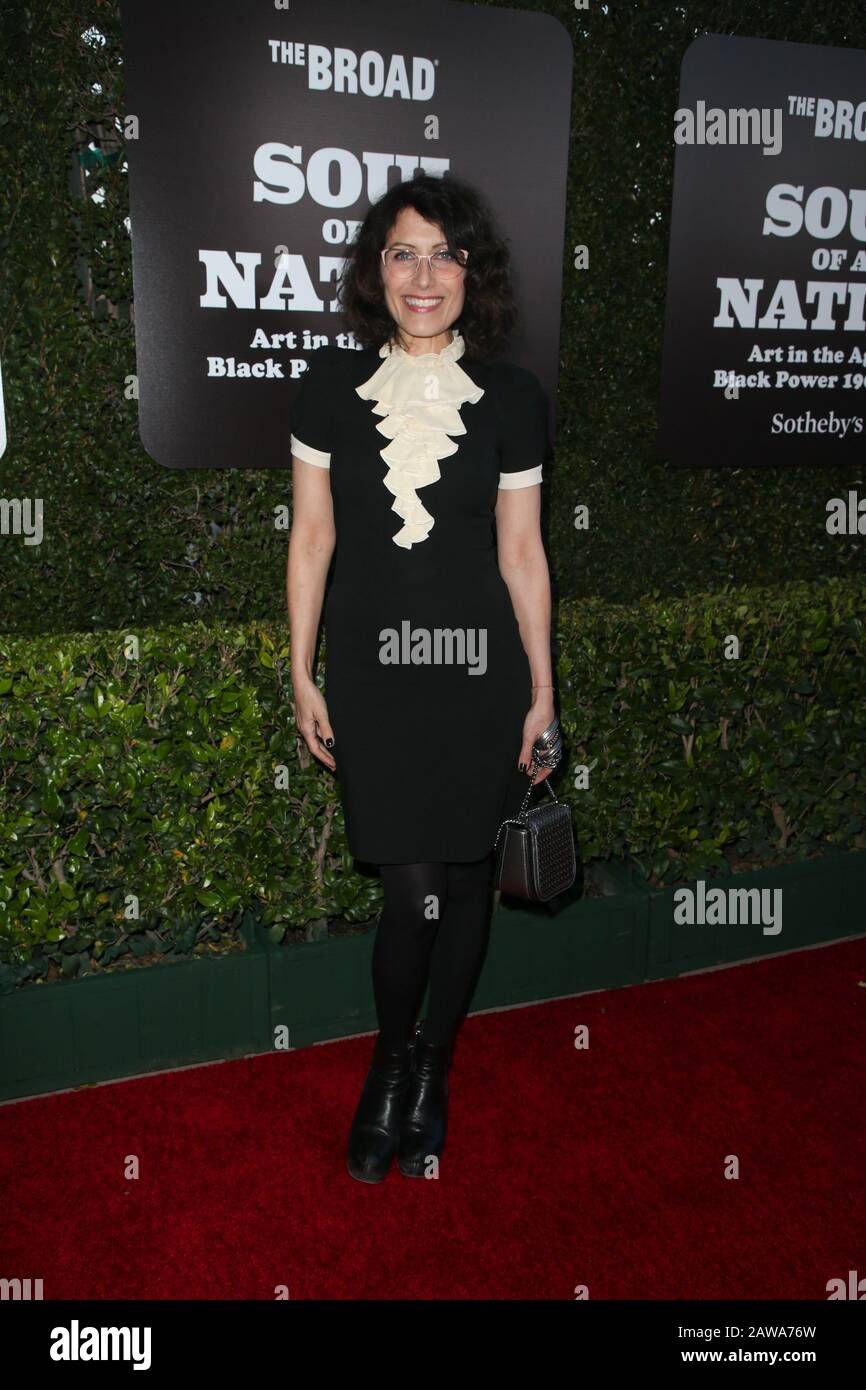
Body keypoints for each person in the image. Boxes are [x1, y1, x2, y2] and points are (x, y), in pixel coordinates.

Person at [287, 171, 557, 1183]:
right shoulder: (325, 388)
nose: (423, 273)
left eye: (444, 252)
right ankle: (387, 1063)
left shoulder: (514, 399)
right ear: (376, 270)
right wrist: (301, 669)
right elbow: (311, 539)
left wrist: (540, 691)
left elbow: (523, 554)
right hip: (372, 672)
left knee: (464, 879)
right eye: (403, 251)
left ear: (469, 272)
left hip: (480, 674)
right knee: (409, 893)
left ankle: (431, 1069)